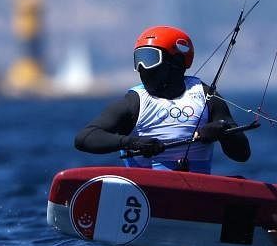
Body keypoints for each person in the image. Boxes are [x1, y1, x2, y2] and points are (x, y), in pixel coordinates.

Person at [74, 25, 250, 173]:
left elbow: (242, 155)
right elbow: (84, 138)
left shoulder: (206, 97)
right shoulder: (134, 102)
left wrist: (223, 132)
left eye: (150, 59)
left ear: (177, 62)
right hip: (145, 193)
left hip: (196, 192)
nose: (143, 67)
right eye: (139, 59)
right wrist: (132, 142)